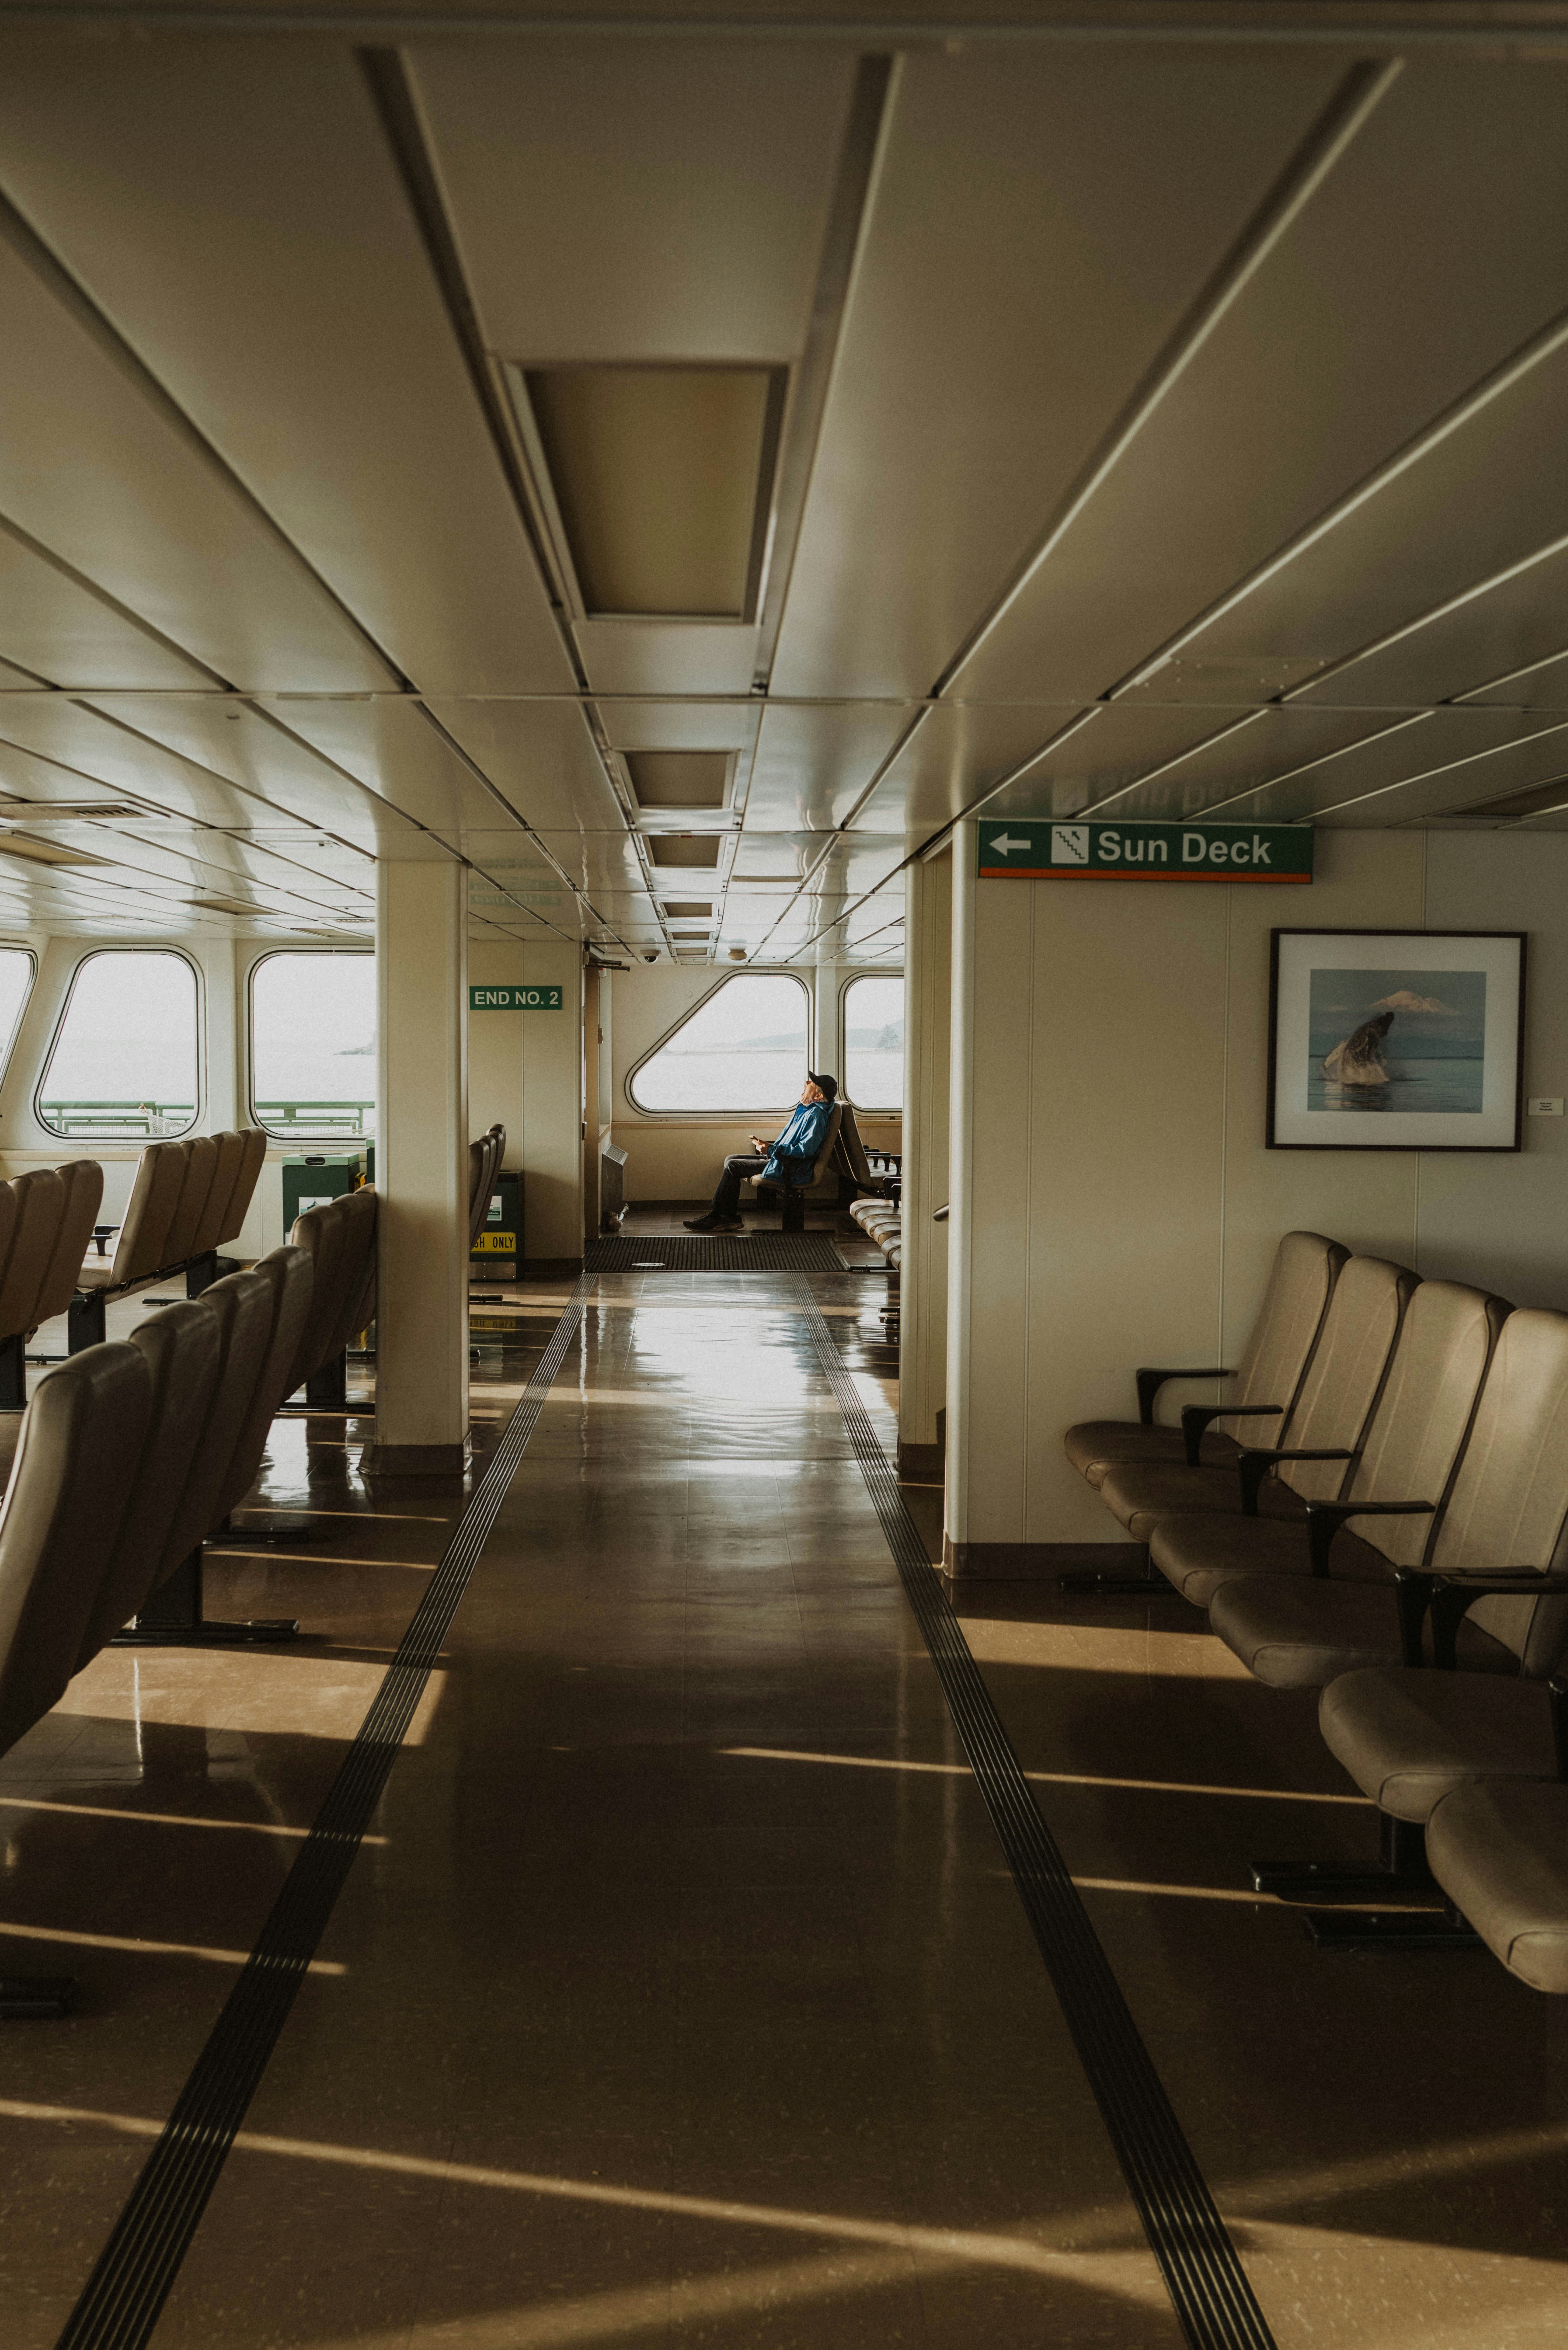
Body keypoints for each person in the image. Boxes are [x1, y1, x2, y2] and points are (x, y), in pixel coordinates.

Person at [684, 1074, 838, 1232]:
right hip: (783, 1160)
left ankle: (718, 1217)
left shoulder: (816, 1116)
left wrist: (771, 1150)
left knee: (733, 1166)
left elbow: (806, 1150)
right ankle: (727, 1216)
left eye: (811, 1083)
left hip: (792, 1167)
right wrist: (768, 1147)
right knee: (731, 1159)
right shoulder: (807, 1111)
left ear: (819, 1095)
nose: (806, 1083)